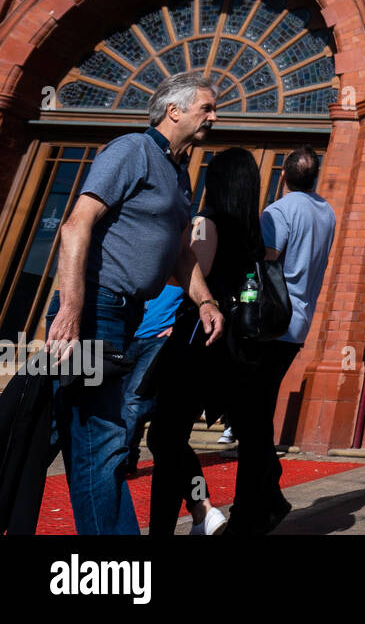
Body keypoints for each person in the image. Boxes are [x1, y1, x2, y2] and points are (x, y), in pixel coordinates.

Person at [47, 71, 223, 534]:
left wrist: (205, 300)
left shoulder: (179, 173)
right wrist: (71, 310)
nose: (214, 116)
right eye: (206, 107)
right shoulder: (132, 150)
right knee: (101, 439)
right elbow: (75, 226)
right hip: (94, 309)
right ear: (174, 110)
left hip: (125, 315)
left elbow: (181, 254)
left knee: (49, 432)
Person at [147, 147, 267, 535]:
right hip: (228, 349)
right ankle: (201, 510)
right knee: (170, 439)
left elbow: (189, 275)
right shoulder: (252, 235)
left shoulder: (207, 222)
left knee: (165, 439)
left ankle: (184, 517)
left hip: (197, 340)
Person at [220, 145, 335, 534]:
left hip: (267, 323)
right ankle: (266, 495)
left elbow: (266, 261)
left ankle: (252, 508)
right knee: (256, 414)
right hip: (297, 324)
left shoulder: (280, 211)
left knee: (250, 417)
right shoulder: (327, 212)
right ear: (314, 176)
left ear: (283, 175)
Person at [121, 284, 183, 473]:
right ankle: (129, 458)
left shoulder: (187, 265)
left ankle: (121, 460)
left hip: (159, 338)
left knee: (134, 398)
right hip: (129, 335)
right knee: (119, 399)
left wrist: (178, 326)